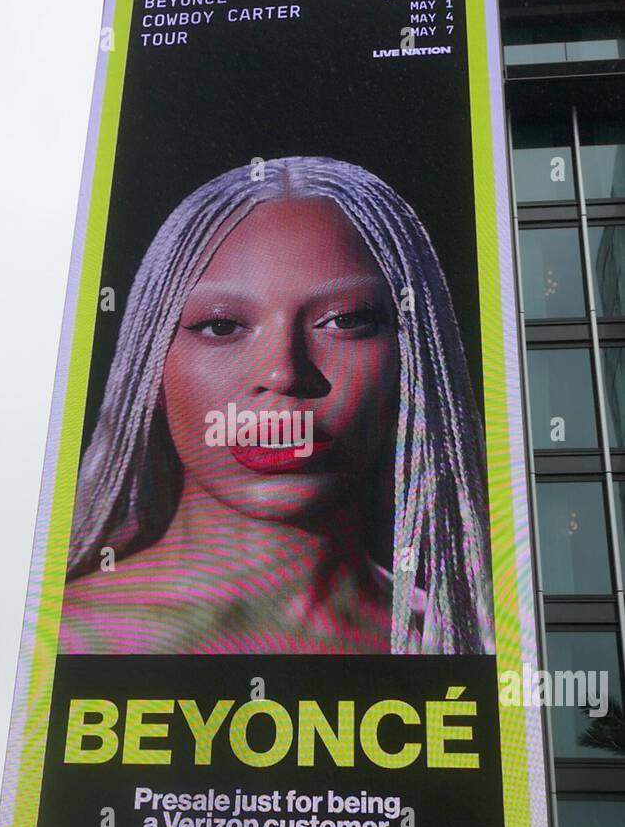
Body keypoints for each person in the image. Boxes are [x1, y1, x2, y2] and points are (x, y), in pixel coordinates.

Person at [59, 156, 494, 655]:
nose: (284, 373)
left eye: (346, 321)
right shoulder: (68, 640)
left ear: (417, 355)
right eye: (222, 326)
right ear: (148, 364)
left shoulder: (459, 644)